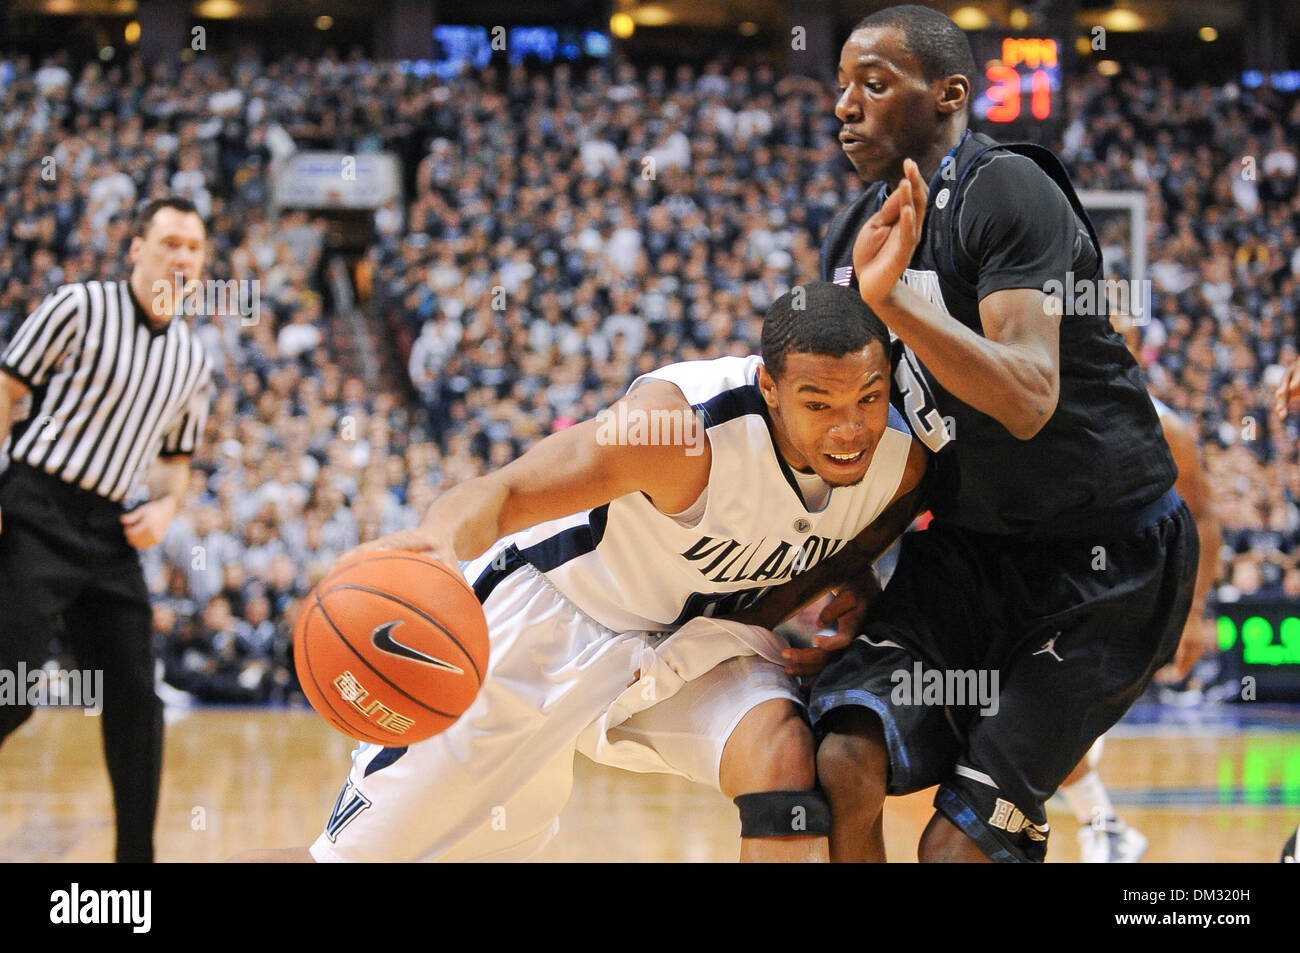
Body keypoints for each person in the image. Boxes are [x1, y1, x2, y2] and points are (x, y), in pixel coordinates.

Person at [245, 282, 926, 862]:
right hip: (544, 622)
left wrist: (849, 592)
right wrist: (434, 538)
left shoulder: (899, 468)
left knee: (783, 758)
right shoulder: (679, 430)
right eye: (820, 405)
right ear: (769, 388)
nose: (849, 429)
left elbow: (853, 542)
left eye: (867, 399)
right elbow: (507, 491)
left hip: (681, 639)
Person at [807, 6, 1198, 863]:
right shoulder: (849, 235)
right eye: (839, 87)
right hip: (970, 548)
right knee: (841, 755)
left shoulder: (1007, 189)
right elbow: (868, 439)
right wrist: (852, 570)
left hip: (1103, 564)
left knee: (955, 849)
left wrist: (895, 301)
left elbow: (1028, 395)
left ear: (950, 94)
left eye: (873, 84)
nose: (845, 106)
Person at [0, 197, 213, 862]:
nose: (180, 256)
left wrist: (167, 510)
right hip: (36, 509)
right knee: (11, 692)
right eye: (169, 242)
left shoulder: (191, 359)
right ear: (137, 249)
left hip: (111, 532)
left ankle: (134, 873)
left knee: (135, 705)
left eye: (193, 248)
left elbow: (176, 464)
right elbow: (7, 391)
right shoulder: (79, 306)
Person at [1057, 316, 1221, 863]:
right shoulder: (1044, 416)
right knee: (1051, 725)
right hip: (1065, 595)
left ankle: (1100, 822)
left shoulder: (1166, 427)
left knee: (1061, 725)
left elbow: (1205, 517)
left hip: (1139, 597)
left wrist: (1196, 611)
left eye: (1120, 336)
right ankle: (1104, 826)